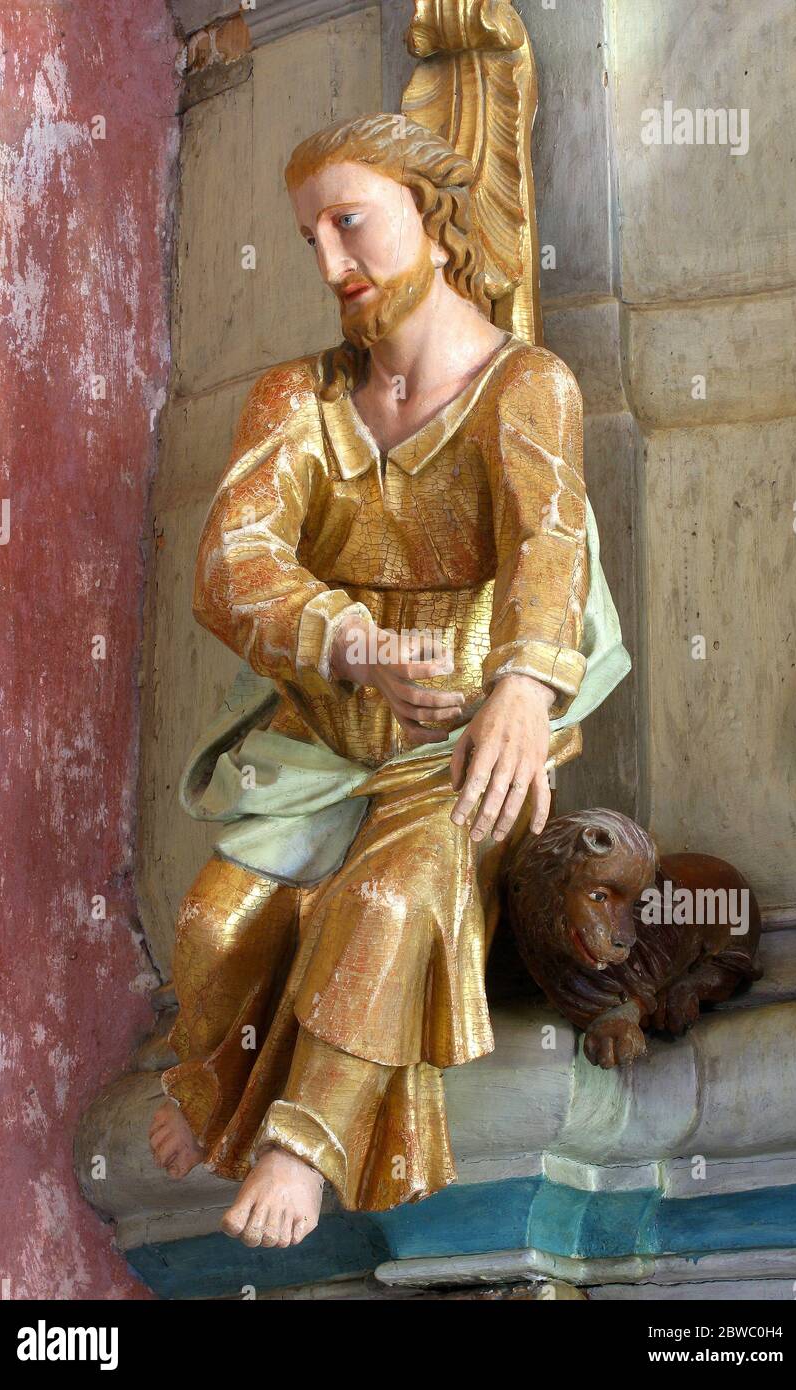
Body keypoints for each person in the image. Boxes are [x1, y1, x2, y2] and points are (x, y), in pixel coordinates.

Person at [149, 114, 625, 1251]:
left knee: (389, 895)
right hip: (321, 742)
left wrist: (520, 687)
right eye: (308, 235)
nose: (328, 264)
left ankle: (301, 1148)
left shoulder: (523, 385)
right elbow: (232, 561)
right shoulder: (299, 401)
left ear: (433, 219)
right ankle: (216, 1076)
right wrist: (346, 640)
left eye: (348, 223)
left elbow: (552, 543)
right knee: (212, 930)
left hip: (463, 745)